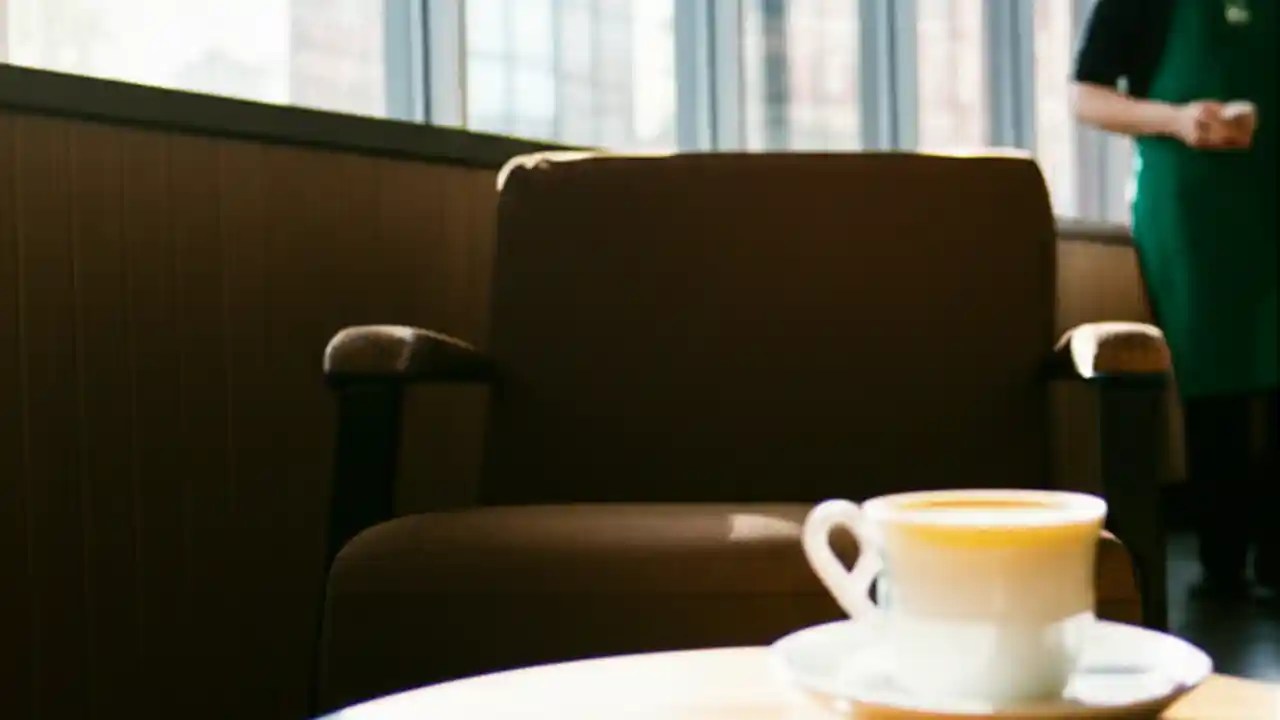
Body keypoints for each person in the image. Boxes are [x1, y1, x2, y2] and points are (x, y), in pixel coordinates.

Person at [1073, 0, 1276, 595]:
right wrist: (1178, 119)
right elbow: (1085, 96)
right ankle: (1224, 561)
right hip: (1193, 210)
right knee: (1215, 378)